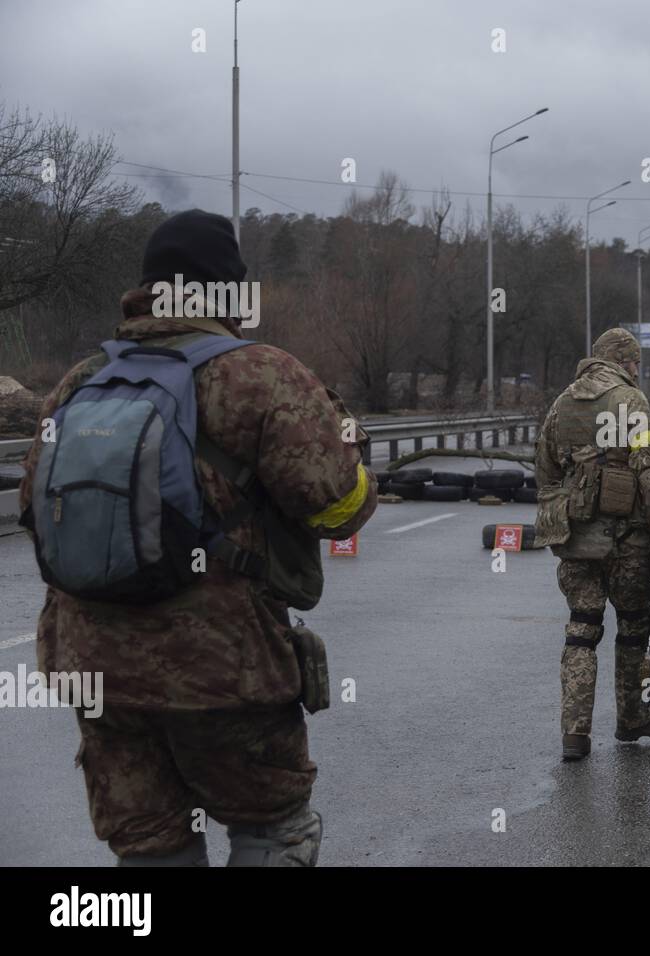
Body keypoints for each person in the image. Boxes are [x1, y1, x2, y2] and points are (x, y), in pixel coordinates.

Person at [18, 209, 377, 865]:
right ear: (228, 291)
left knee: (149, 846)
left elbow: (36, 512)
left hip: (96, 671)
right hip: (222, 671)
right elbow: (335, 509)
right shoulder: (262, 375)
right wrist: (358, 465)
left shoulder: (79, 383)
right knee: (272, 829)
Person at [534, 327, 650, 762]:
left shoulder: (562, 402)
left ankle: (574, 734)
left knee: (582, 628)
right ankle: (633, 718)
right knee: (633, 625)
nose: (637, 369)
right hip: (626, 537)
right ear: (625, 361)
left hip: (575, 534)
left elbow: (544, 470)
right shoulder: (630, 401)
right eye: (635, 361)